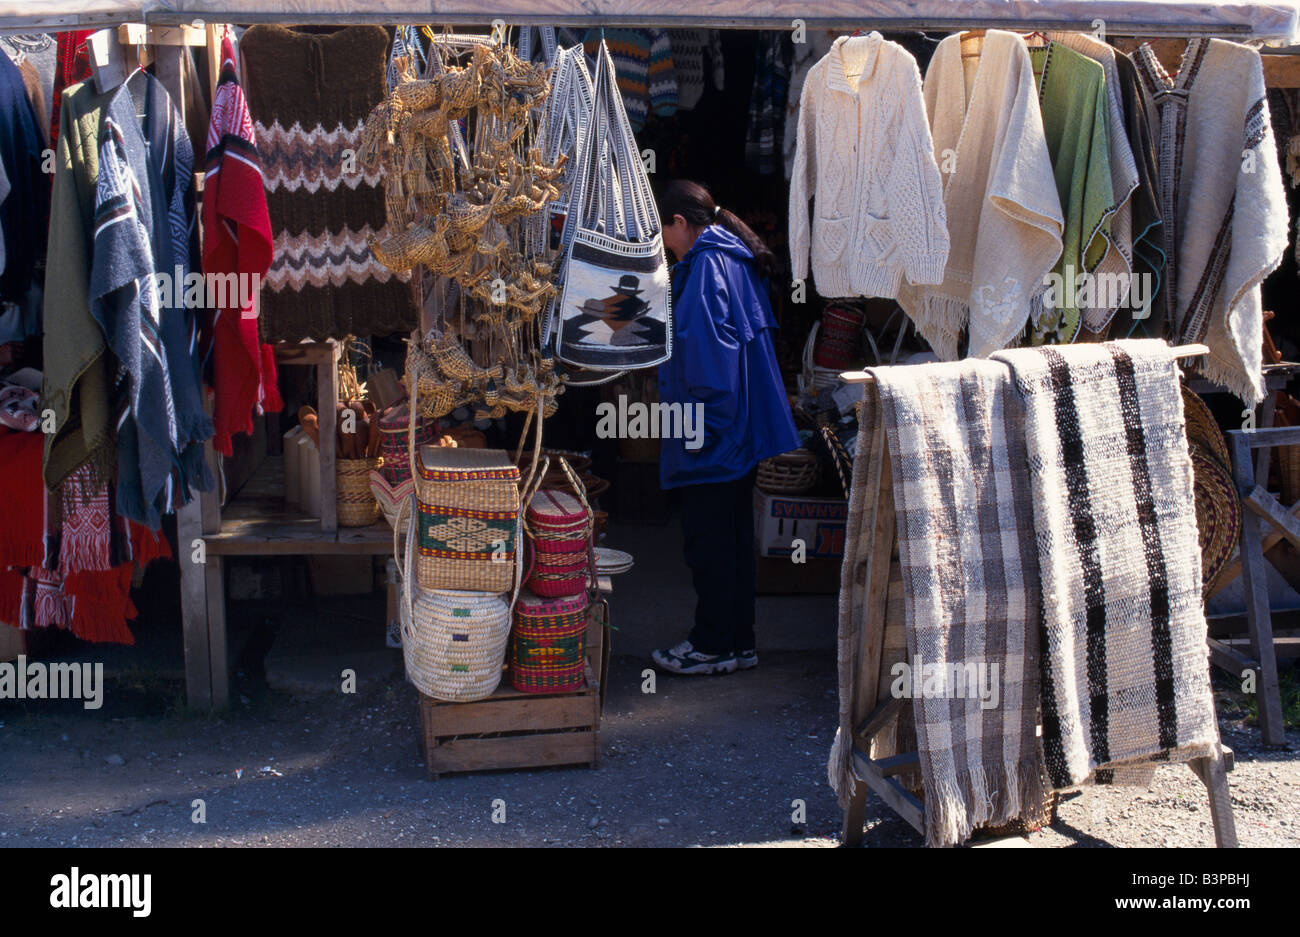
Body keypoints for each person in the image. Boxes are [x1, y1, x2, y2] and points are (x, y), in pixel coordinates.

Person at [651, 180, 799, 675]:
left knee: (708, 544)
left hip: (713, 435)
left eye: (663, 230)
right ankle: (739, 643)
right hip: (737, 434)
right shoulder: (732, 258)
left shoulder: (707, 266)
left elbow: (711, 367)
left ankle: (710, 645)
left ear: (680, 223)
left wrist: (698, 434)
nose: (663, 243)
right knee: (733, 540)